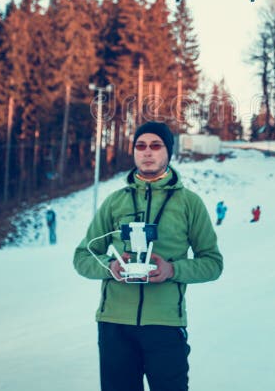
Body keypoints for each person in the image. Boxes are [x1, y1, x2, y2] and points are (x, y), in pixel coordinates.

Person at [73, 121, 223, 391]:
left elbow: (212, 263)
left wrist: (172, 270)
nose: (147, 152)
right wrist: (110, 267)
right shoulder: (115, 201)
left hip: (165, 324)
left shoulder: (189, 203)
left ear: (169, 152)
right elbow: (83, 256)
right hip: (114, 325)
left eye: (156, 145)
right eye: (140, 146)